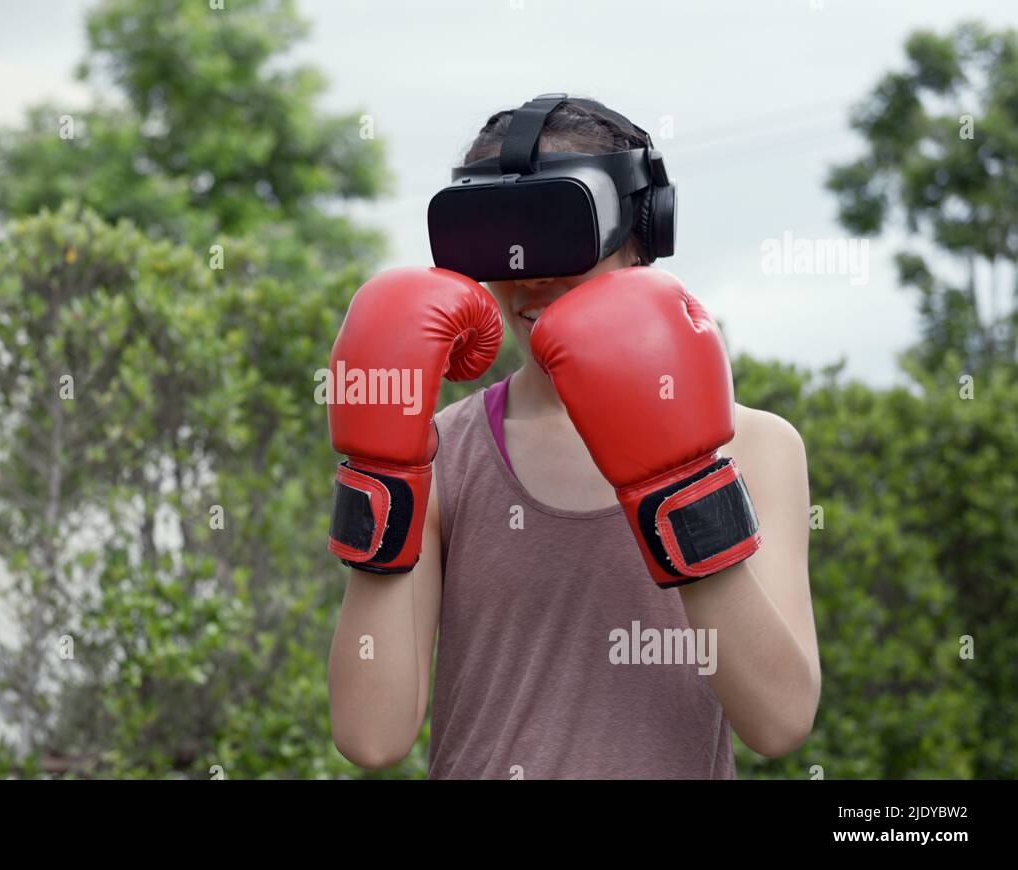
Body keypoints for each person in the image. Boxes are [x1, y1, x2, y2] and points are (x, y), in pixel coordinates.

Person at [325, 97, 820, 779]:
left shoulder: (754, 446)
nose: (529, 272)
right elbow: (370, 737)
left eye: (562, 228)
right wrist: (382, 473)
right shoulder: (442, 454)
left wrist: (681, 481)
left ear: (644, 230)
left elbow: (781, 719)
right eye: (496, 238)